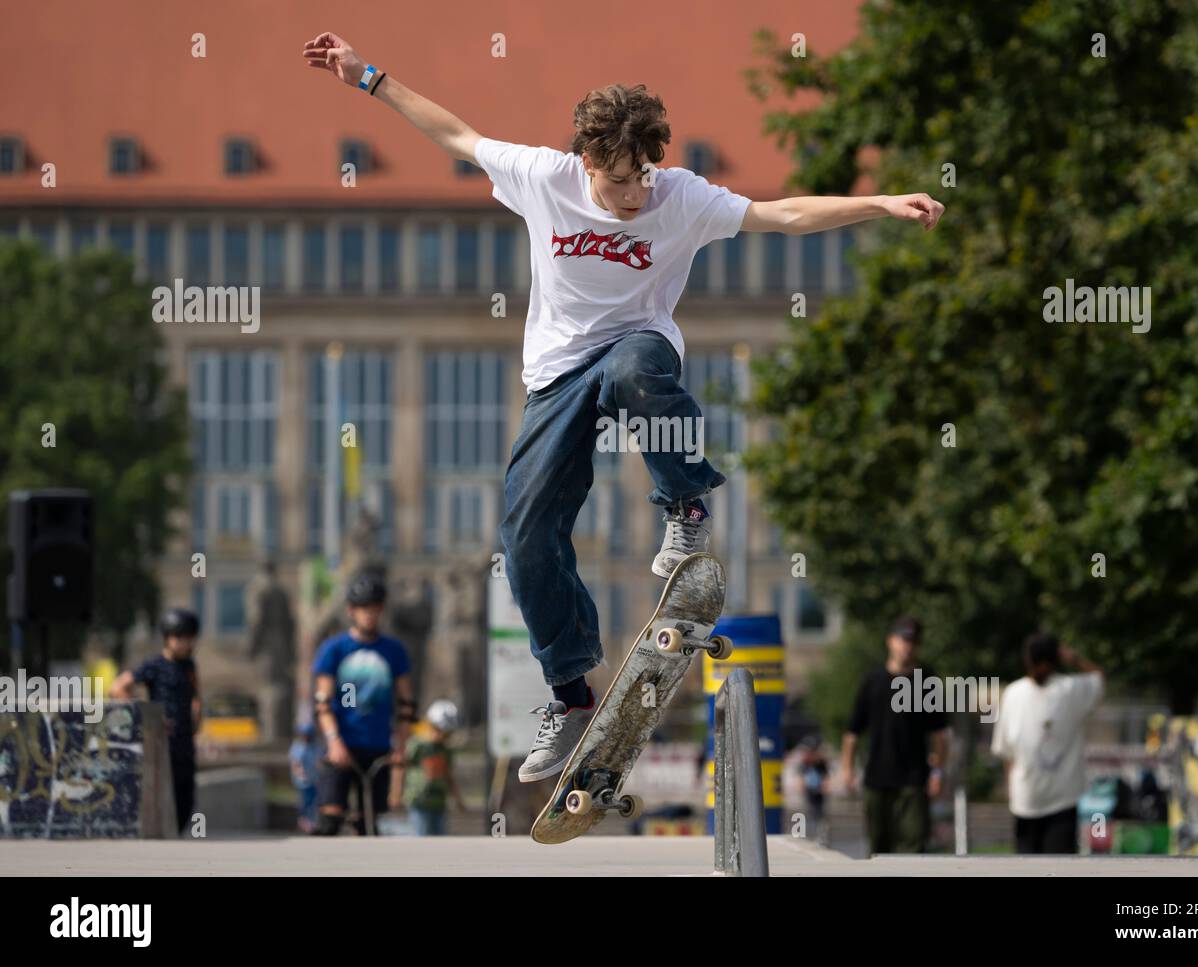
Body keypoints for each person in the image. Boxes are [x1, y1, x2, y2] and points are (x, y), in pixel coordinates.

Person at [302, 32, 946, 783]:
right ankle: (573, 698)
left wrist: (879, 203)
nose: (635, 197)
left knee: (639, 363)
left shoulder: (681, 196)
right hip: (556, 379)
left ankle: (686, 508)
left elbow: (785, 216)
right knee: (523, 535)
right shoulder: (543, 177)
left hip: (637, 354)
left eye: (642, 178)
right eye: (617, 185)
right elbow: (456, 133)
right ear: (585, 165)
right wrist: (368, 77)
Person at [311, 572, 416, 836]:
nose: (369, 615)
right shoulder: (334, 649)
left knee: (369, 824)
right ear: (351, 611)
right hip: (342, 745)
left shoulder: (393, 650)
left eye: (374, 609)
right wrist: (334, 742)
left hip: (379, 747)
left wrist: (401, 746)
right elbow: (322, 702)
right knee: (330, 821)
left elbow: (406, 703)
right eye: (363, 609)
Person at [839, 617, 949, 854]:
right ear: (891, 641)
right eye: (903, 640)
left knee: (914, 845)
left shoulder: (927, 682)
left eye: (913, 641)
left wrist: (938, 772)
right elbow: (852, 732)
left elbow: (939, 734)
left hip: (914, 779)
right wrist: (847, 768)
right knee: (878, 848)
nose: (907, 646)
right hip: (877, 777)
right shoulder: (872, 681)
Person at [991, 632, 1104, 854]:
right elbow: (1007, 752)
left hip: (1060, 802)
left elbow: (1099, 678)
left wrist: (1072, 659)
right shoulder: (1015, 694)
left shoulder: (1069, 689)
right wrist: (1012, 792)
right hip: (1026, 802)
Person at [109, 608, 202, 835]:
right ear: (168, 639)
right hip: (163, 742)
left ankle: (175, 835)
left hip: (184, 742)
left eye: (189, 638)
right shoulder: (154, 665)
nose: (185, 644)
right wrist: (144, 714)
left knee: (186, 795)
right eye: (180, 638)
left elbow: (196, 695)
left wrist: (197, 719)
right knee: (163, 794)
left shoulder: (189, 665)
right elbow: (118, 687)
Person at [403, 700, 466, 836]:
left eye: (446, 734)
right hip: (419, 802)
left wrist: (457, 798)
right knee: (421, 838)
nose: (442, 736)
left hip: (438, 803)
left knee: (440, 839)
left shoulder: (444, 750)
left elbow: (448, 774)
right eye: (439, 731)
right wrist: (396, 792)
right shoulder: (418, 745)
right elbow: (402, 766)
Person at [288, 720, 322, 834]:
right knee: (305, 801)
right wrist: (300, 774)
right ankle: (304, 821)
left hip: (315, 778)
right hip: (303, 780)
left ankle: (313, 822)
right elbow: (296, 762)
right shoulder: (298, 746)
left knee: (315, 801)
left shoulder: (315, 746)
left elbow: (319, 760)